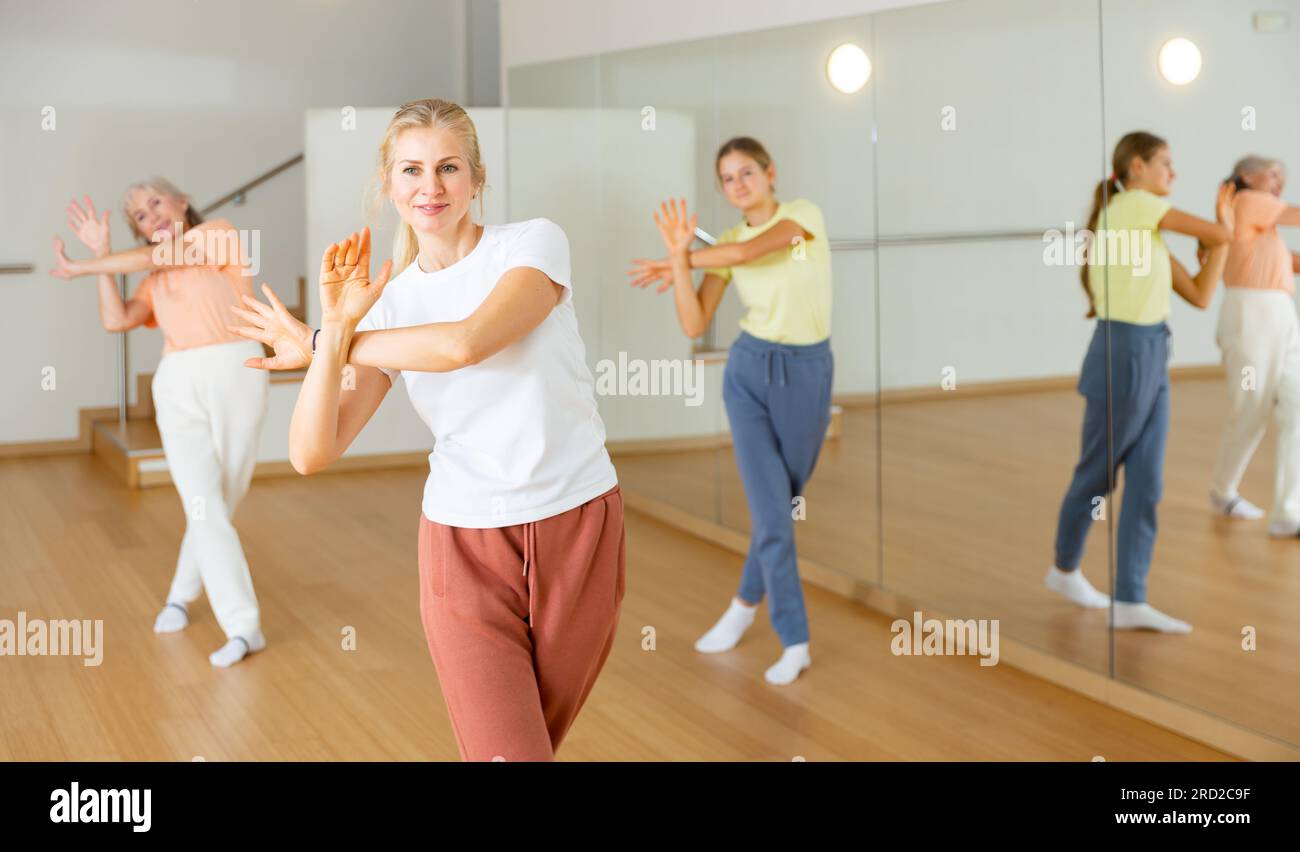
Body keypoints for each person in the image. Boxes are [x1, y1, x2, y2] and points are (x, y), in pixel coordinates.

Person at [230, 98, 624, 761]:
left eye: (448, 167)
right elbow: (311, 451)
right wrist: (332, 343)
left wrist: (326, 340)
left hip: (579, 525)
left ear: (476, 177)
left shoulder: (532, 244)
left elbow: (467, 343)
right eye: (410, 170)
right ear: (389, 185)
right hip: (463, 546)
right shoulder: (390, 306)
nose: (430, 187)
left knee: (533, 747)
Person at [629, 136, 833, 684]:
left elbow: (751, 253)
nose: (738, 185)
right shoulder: (723, 241)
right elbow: (694, 324)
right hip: (747, 373)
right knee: (772, 512)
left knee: (779, 507)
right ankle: (795, 639)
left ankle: (742, 608)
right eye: (728, 178)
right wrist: (680, 269)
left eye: (747, 172)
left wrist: (678, 256)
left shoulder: (801, 217)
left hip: (807, 374)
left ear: (771, 173)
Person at [51, 180, 269, 667]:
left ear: (182, 202)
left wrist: (84, 264)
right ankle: (243, 627)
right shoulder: (154, 280)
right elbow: (117, 320)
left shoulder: (218, 235)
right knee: (202, 500)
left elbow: (155, 257)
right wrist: (102, 262)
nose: (151, 216)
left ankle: (178, 596)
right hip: (176, 382)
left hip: (236, 366)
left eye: (155, 203)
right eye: (141, 217)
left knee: (219, 500)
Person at [1047, 131, 1234, 633]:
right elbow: (1221, 237)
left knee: (1147, 482)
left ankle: (1130, 598)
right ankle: (1063, 568)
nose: (1173, 174)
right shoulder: (1134, 207)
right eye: (1165, 164)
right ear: (1135, 168)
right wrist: (1222, 226)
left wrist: (1217, 240)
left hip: (1154, 350)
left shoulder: (1144, 227)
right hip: (1123, 352)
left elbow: (1199, 293)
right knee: (1098, 475)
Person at [1207, 156, 1300, 535]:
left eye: (1283, 175)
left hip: (1281, 316)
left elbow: (1287, 263)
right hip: (1251, 317)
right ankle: (1223, 490)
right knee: (1251, 411)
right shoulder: (1245, 200)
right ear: (1246, 176)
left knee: (1297, 407)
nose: (1279, 179)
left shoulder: (1263, 227)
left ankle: (1288, 513)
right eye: (1272, 172)